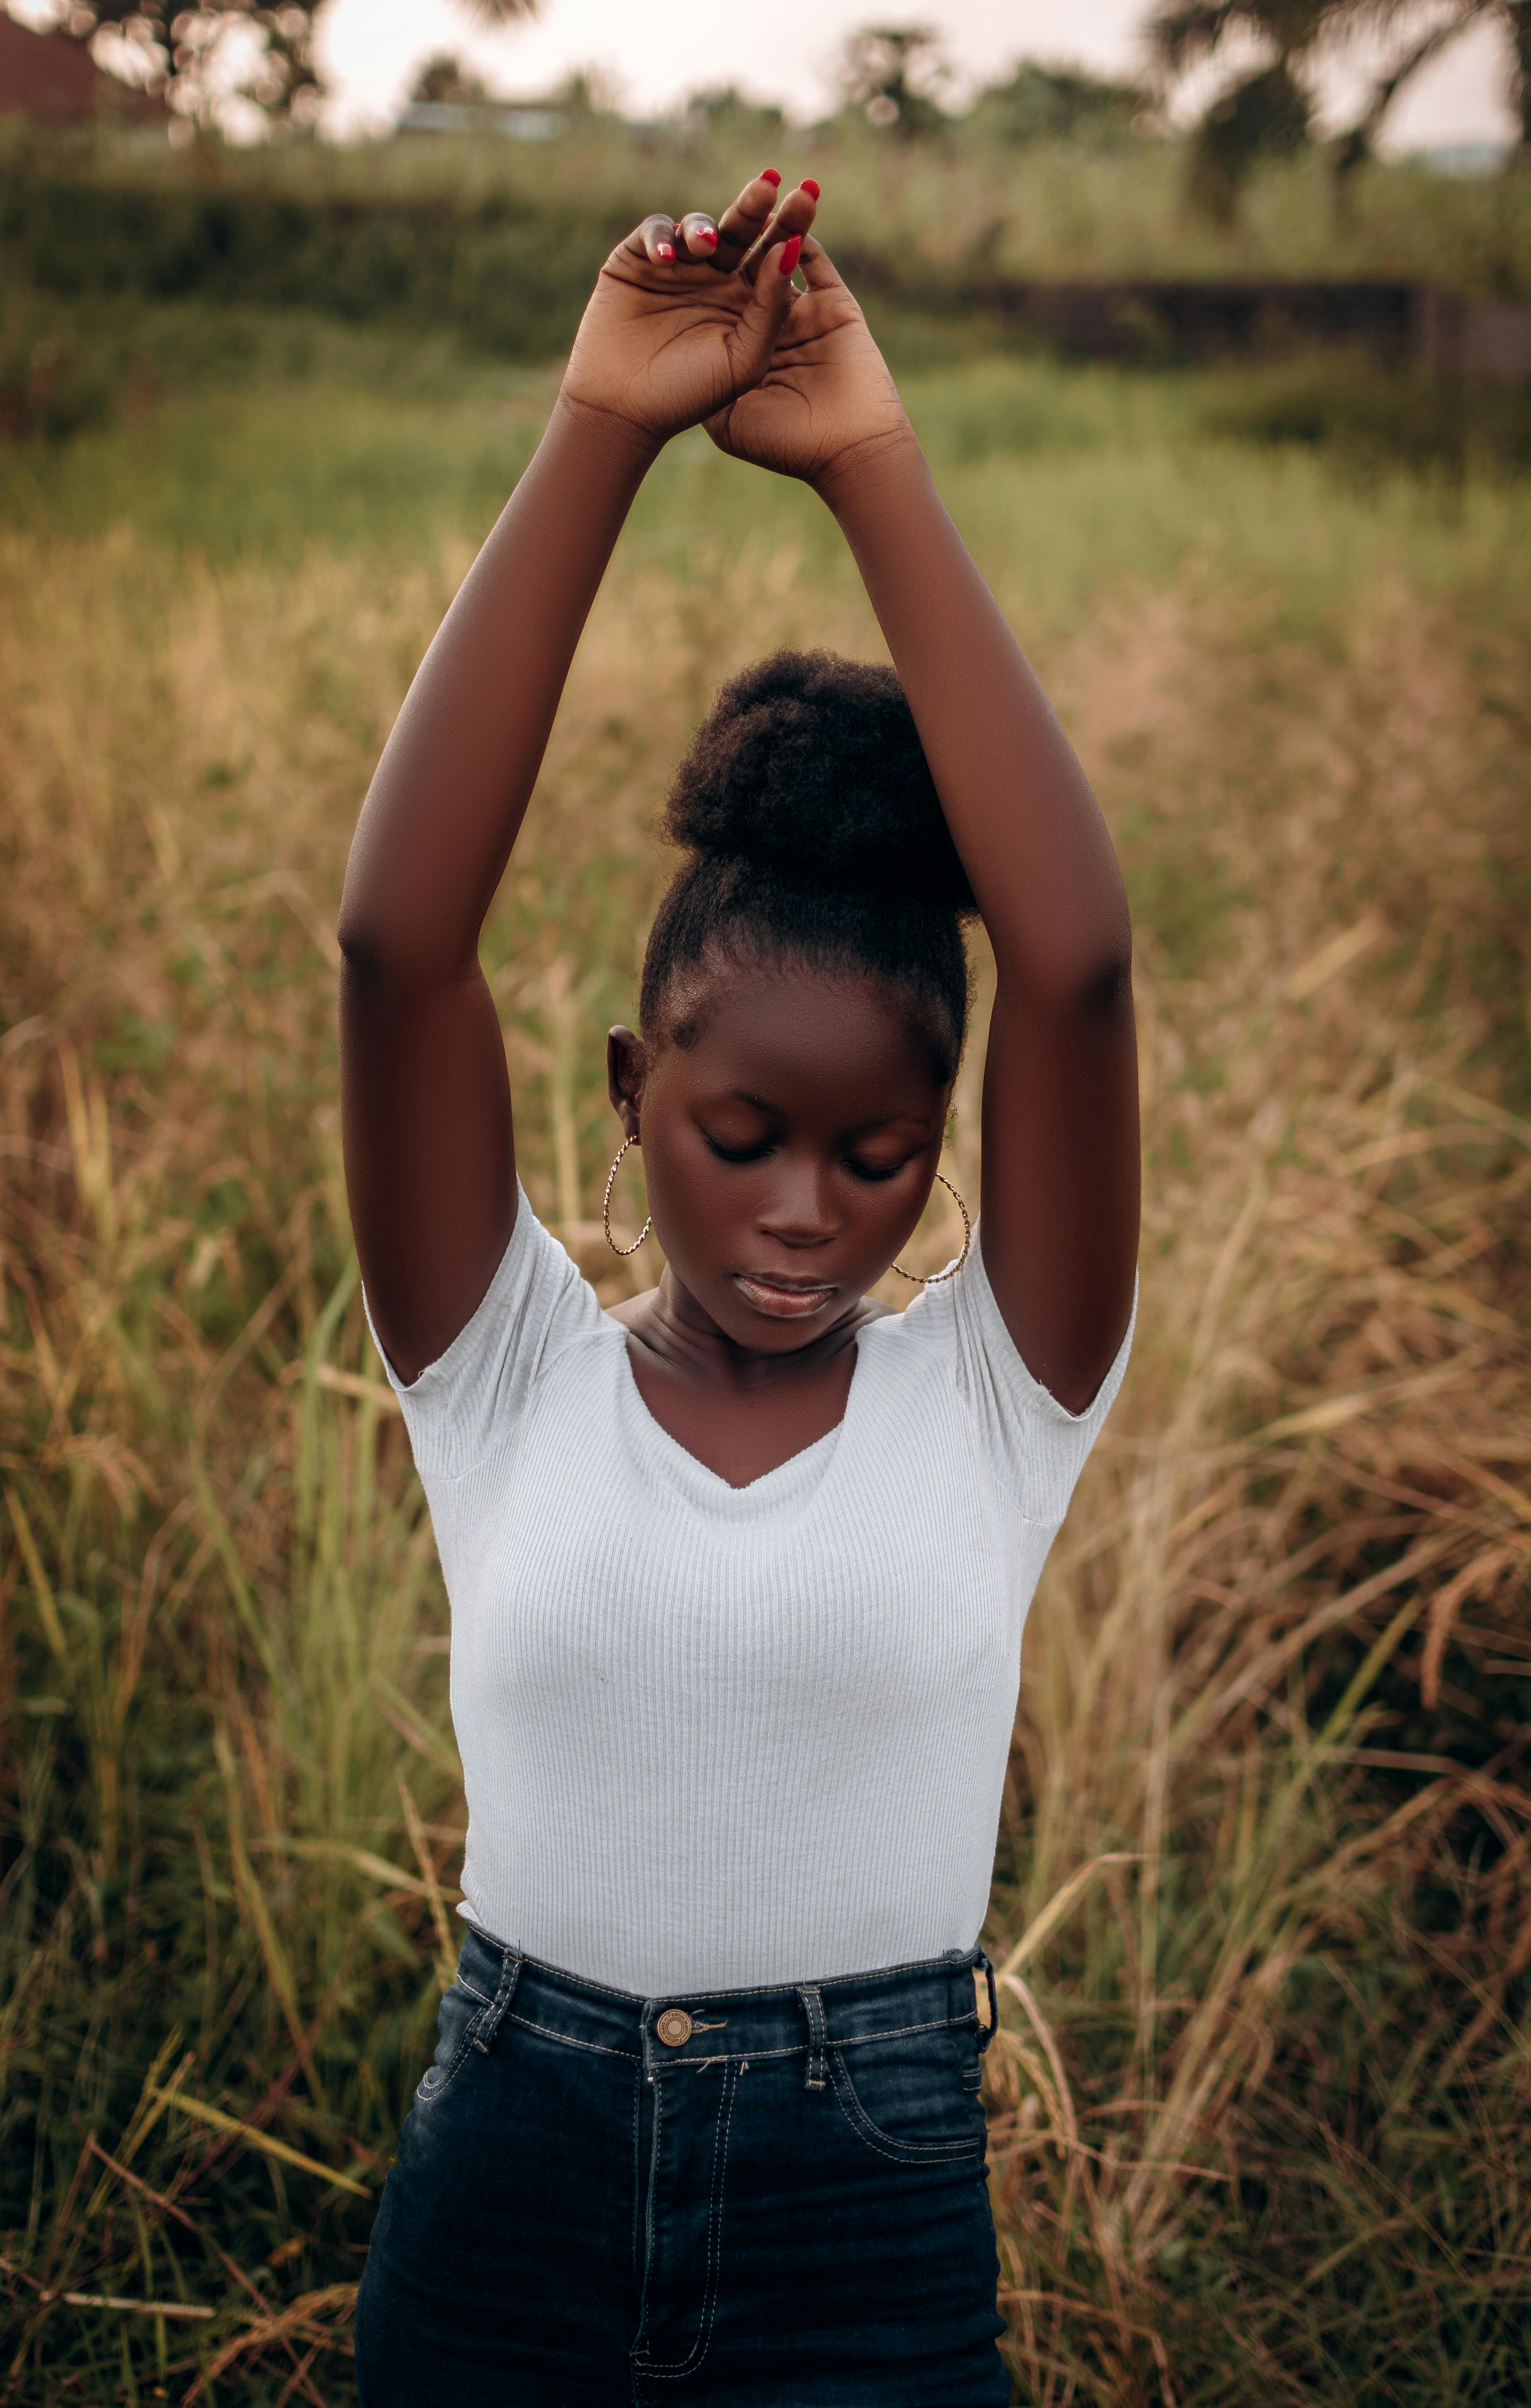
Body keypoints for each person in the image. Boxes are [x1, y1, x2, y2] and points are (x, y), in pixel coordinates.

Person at [342, 169, 1139, 2408]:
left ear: (941, 1145)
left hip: (861, 2226)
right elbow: (399, 946)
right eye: (742, 1138)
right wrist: (600, 420)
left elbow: (1071, 964)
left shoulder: (999, 1401)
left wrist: (871, 454)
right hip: (504, 2188)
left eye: (878, 1155)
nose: (806, 1210)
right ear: (629, 1089)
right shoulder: (503, 1375)